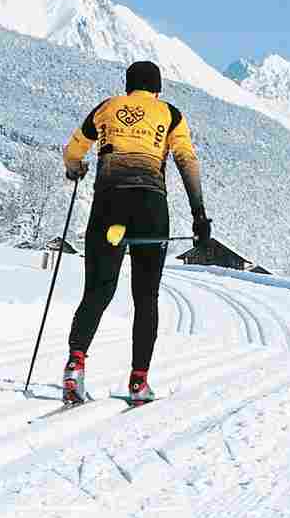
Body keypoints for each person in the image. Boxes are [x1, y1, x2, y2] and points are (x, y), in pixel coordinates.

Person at [60, 60, 212, 405]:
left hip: (108, 206)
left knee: (97, 291)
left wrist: (76, 169)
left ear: (128, 87)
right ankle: (138, 382)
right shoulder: (169, 114)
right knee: (146, 297)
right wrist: (198, 213)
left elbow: (73, 152)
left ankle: (75, 365)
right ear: (157, 89)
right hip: (150, 209)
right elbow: (186, 161)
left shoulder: (106, 108)